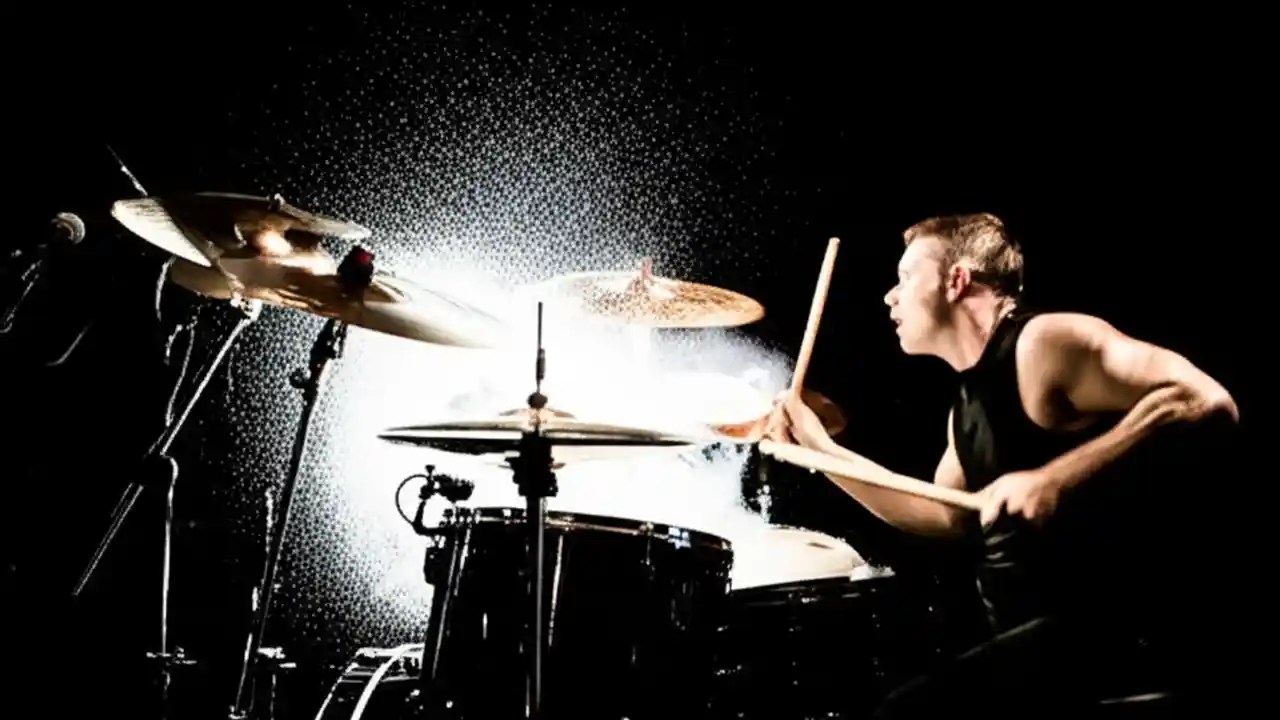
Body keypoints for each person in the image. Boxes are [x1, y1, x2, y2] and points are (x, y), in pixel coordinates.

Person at [765, 212, 1240, 718]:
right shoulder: (967, 409)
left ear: (957, 279)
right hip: (1033, 643)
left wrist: (1055, 478)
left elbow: (1202, 399)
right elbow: (942, 514)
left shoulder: (1045, 343)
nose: (890, 295)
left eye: (906, 277)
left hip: (1112, 634)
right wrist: (820, 455)